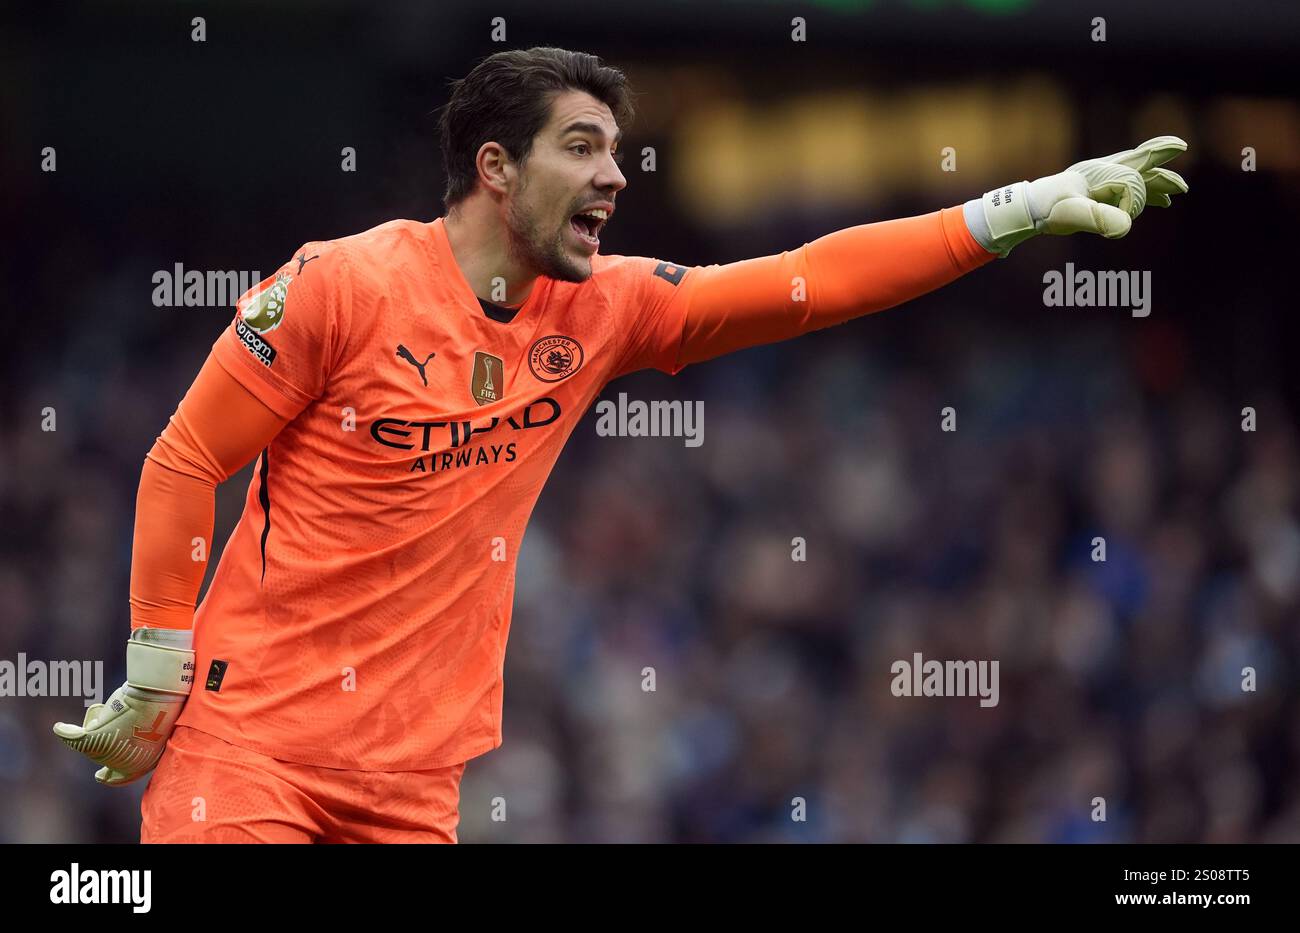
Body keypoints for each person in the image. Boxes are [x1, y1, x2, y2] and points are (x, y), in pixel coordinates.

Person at [52, 46, 1187, 843]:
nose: (615, 174)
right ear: (496, 168)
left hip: (411, 781)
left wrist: (1010, 212)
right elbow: (185, 460)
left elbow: (805, 285)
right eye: (583, 147)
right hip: (250, 753)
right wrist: (154, 680)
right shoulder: (337, 288)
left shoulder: (605, 308)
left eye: (616, 151)